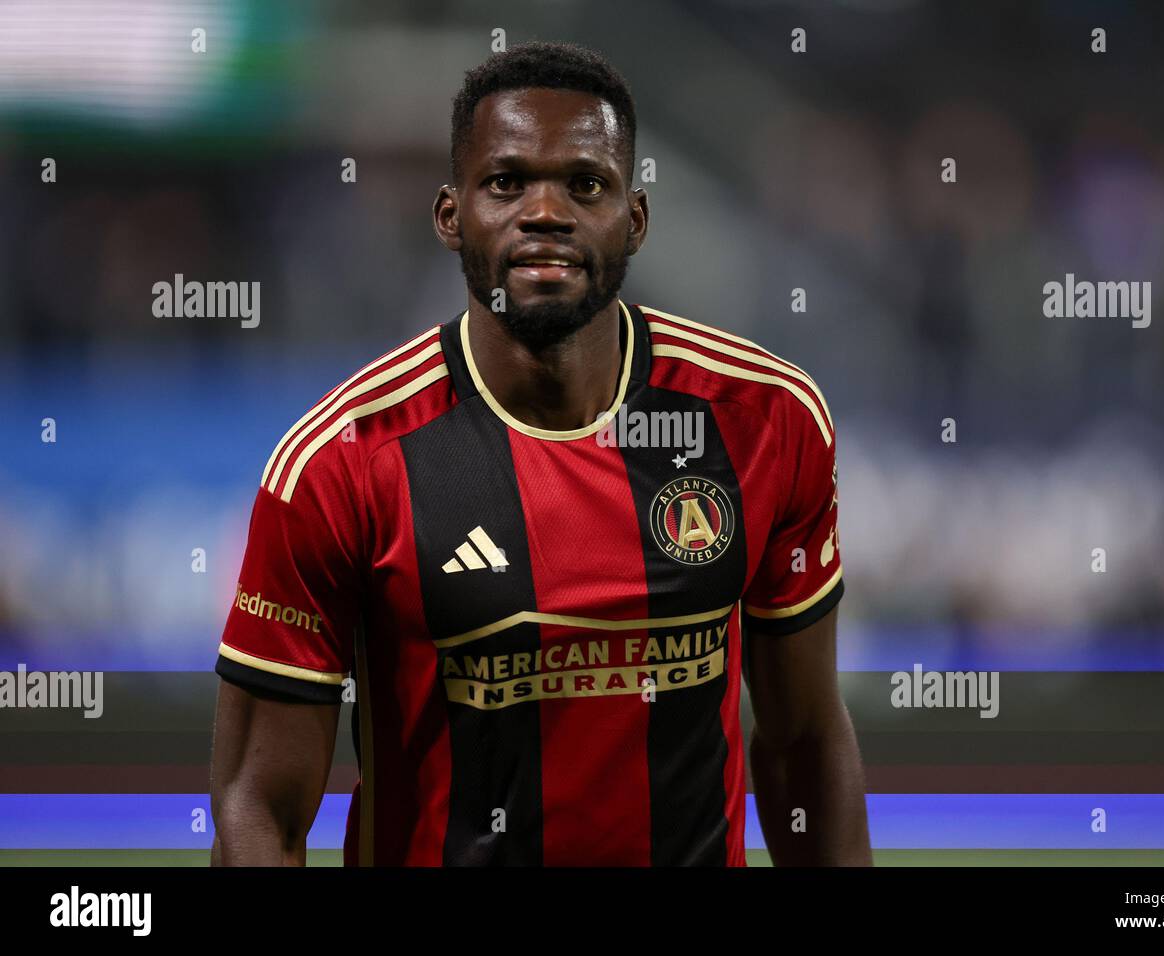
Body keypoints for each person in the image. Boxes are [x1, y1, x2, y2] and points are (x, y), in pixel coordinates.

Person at [209, 40, 870, 866]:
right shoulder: (342, 462)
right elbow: (257, 805)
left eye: (584, 184)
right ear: (452, 216)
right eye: (507, 182)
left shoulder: (766, 420)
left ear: (635, 218)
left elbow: (804, 739)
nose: (545, 211)